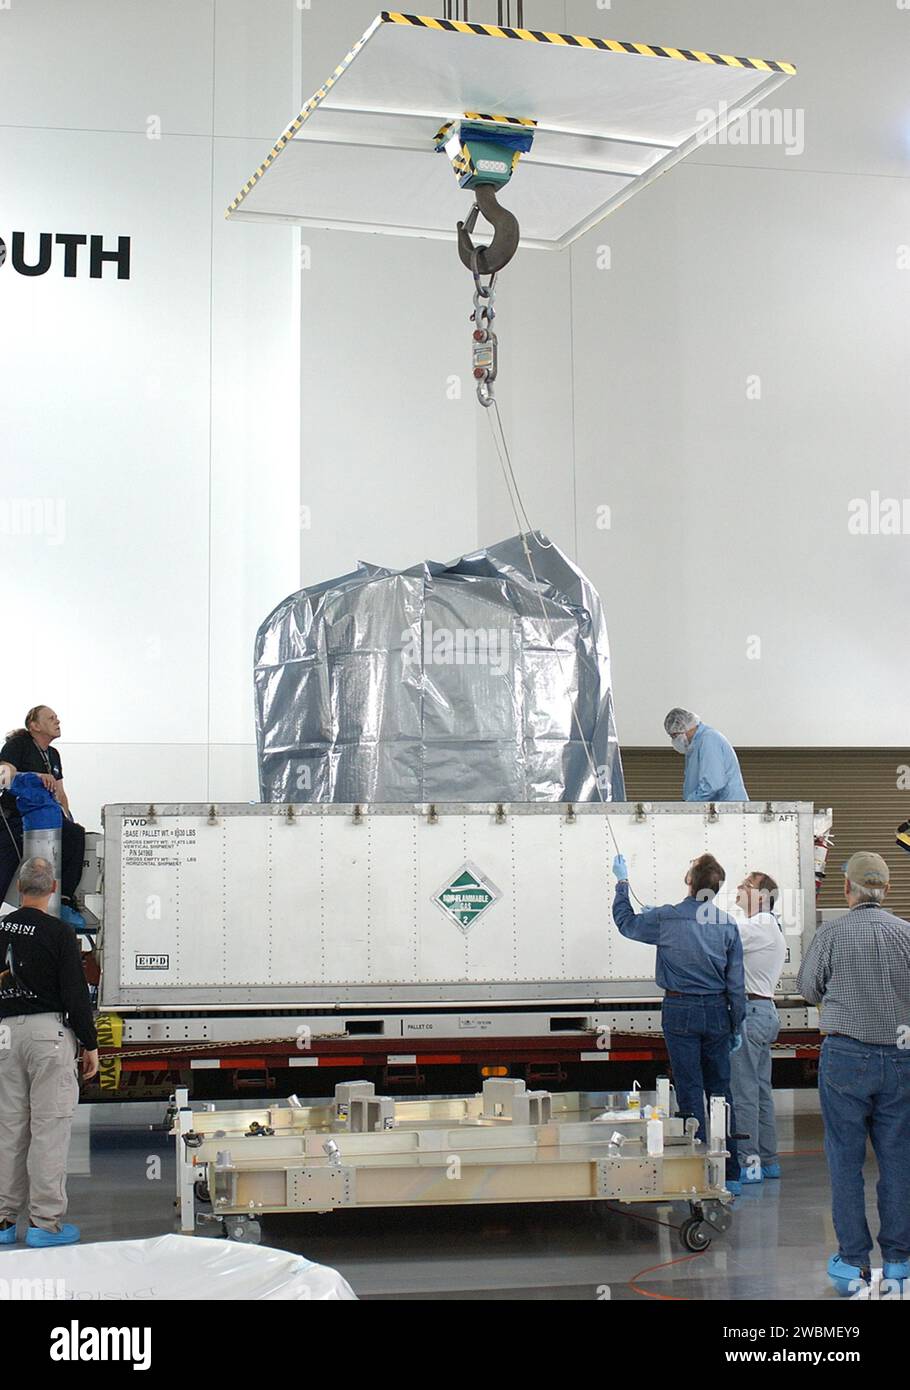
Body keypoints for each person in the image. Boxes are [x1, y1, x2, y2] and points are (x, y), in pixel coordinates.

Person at [797, 851, 910, 1297]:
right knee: (898, 1160)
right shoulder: (906, 934)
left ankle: (853, 1264)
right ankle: (899, 1263)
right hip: (901, 1057)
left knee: (845, 1161)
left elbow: (808, 989)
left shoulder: (832, 934)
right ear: (887, 889)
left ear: (847, 889)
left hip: (846, 1057)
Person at [612, 851, 746, 1193]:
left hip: (680, 1009)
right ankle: (731, 1168)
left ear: (690, 882)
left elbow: (626, 924)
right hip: (718, 1012)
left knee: (689, 1089)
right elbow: (736, 985)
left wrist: (622, 883)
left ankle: (697, 1168)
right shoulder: (727, 924)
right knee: (721, 1090)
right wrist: (736, 1025)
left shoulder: (666, 919)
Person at [0, 857, 98, 1247]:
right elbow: (75, 994)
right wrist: (89, 1043)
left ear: (19, 889)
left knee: (9, 1127)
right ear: (53, 889)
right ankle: (44, 1224)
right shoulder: (58, 933)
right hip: (47, 1035)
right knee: (48, 1128)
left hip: (5, 1035)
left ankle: (3, 1221)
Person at [0, 707, 86, 923]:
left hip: (44, 820)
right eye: (51, 718)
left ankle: (65, 899)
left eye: (57, 717)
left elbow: (60, 792)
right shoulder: (18, 745)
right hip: (14, 819)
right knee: (4, 872)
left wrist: (66, 817)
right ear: (34, 725)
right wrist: (34, 776)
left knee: (74, 835)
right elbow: (3, 775)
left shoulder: (53, 755)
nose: (57, 720)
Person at [730, 871, 786, 1184]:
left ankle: (749, 1163)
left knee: (744, 1092)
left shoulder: (759, 925)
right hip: (762, 1012)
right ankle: (768, 1161)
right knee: (761, 1091)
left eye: (745, 885)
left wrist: (680, 919)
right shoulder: (766, 926)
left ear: (762, 896)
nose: (738, 888)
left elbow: (722, 934)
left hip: (751, 1014)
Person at [663, 708, 748, 802]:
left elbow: (713, 784)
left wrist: (690, 805)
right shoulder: (693, 746)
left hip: (728, 810)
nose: (674, 740)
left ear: (684, 728)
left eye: (674, 736)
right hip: (713, 810)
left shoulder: (708, 739)